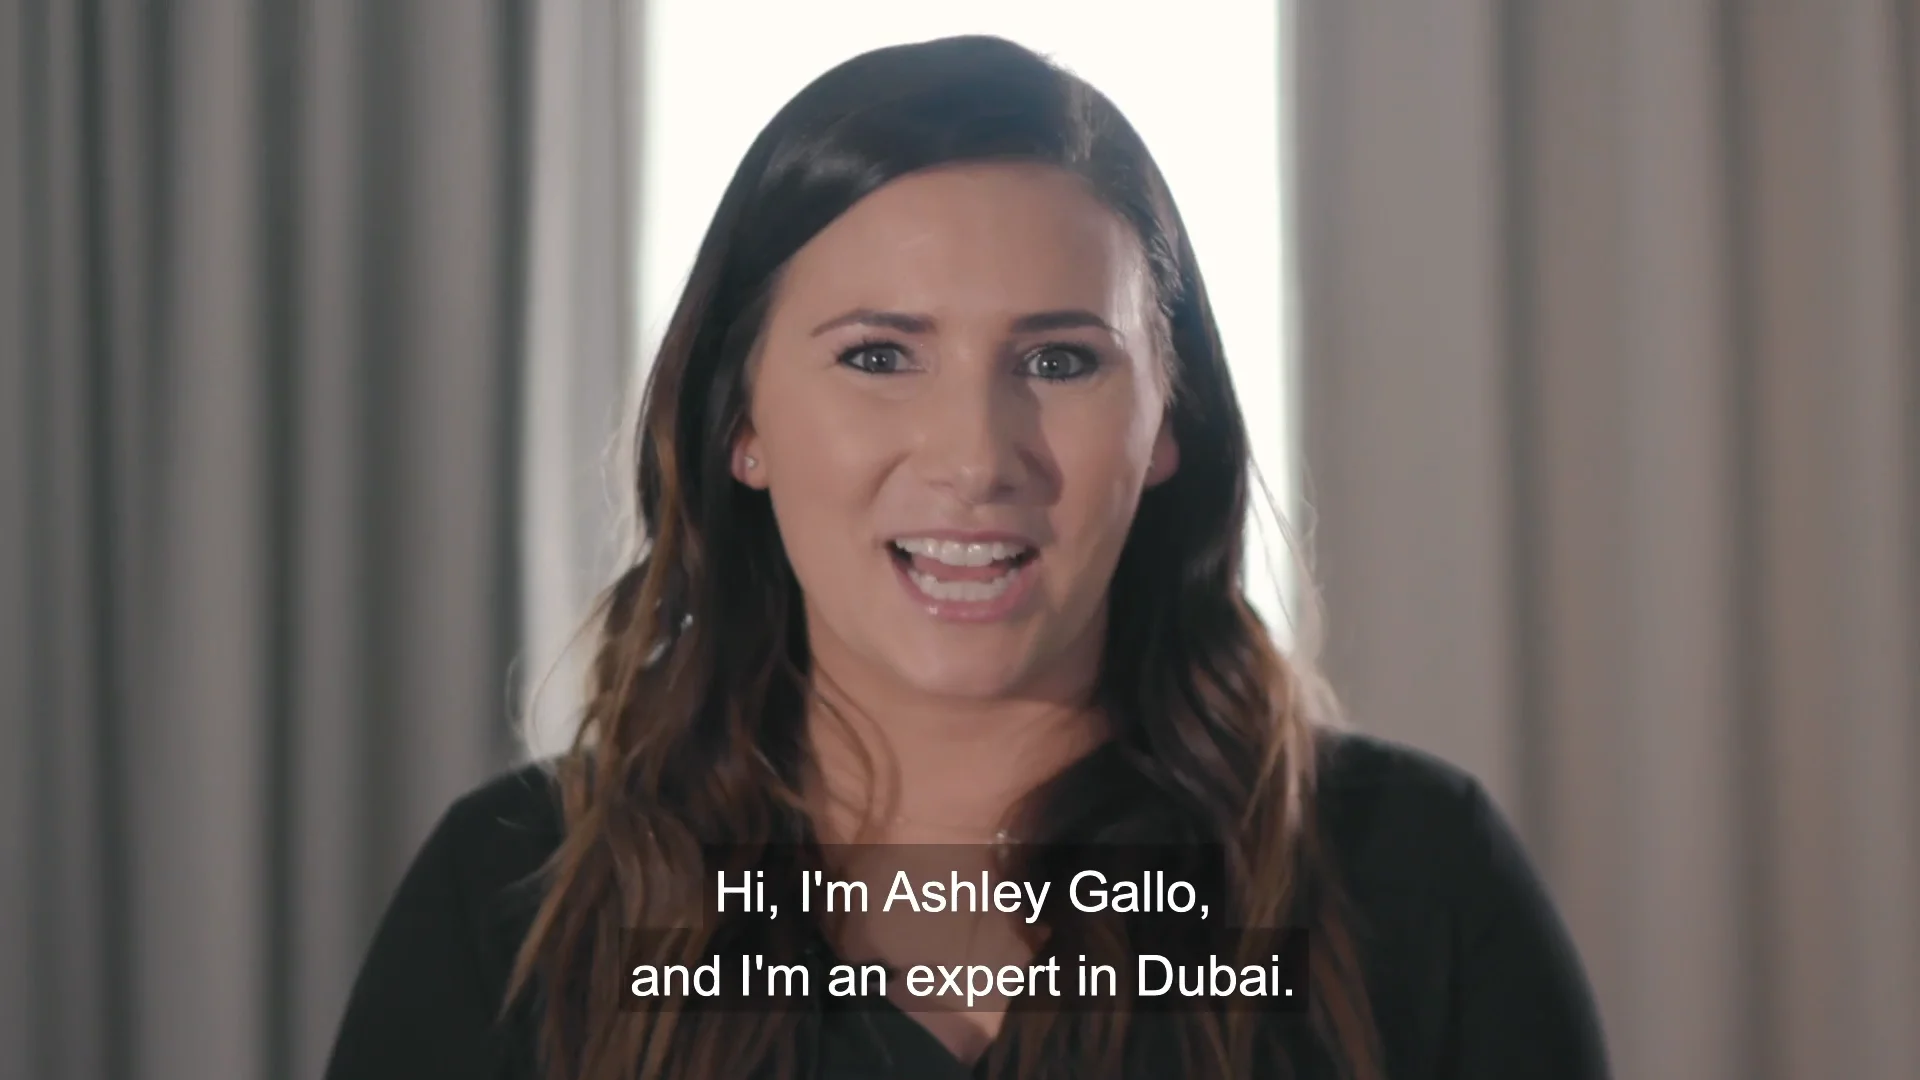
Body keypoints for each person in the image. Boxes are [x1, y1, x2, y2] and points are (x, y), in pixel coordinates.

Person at [323, 34, 1609, 1080]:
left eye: (1059, 359)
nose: (977, 457)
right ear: (741, 423)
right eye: (879, 356)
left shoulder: (1411, 881)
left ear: (1168, 423)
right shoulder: (512, 901)